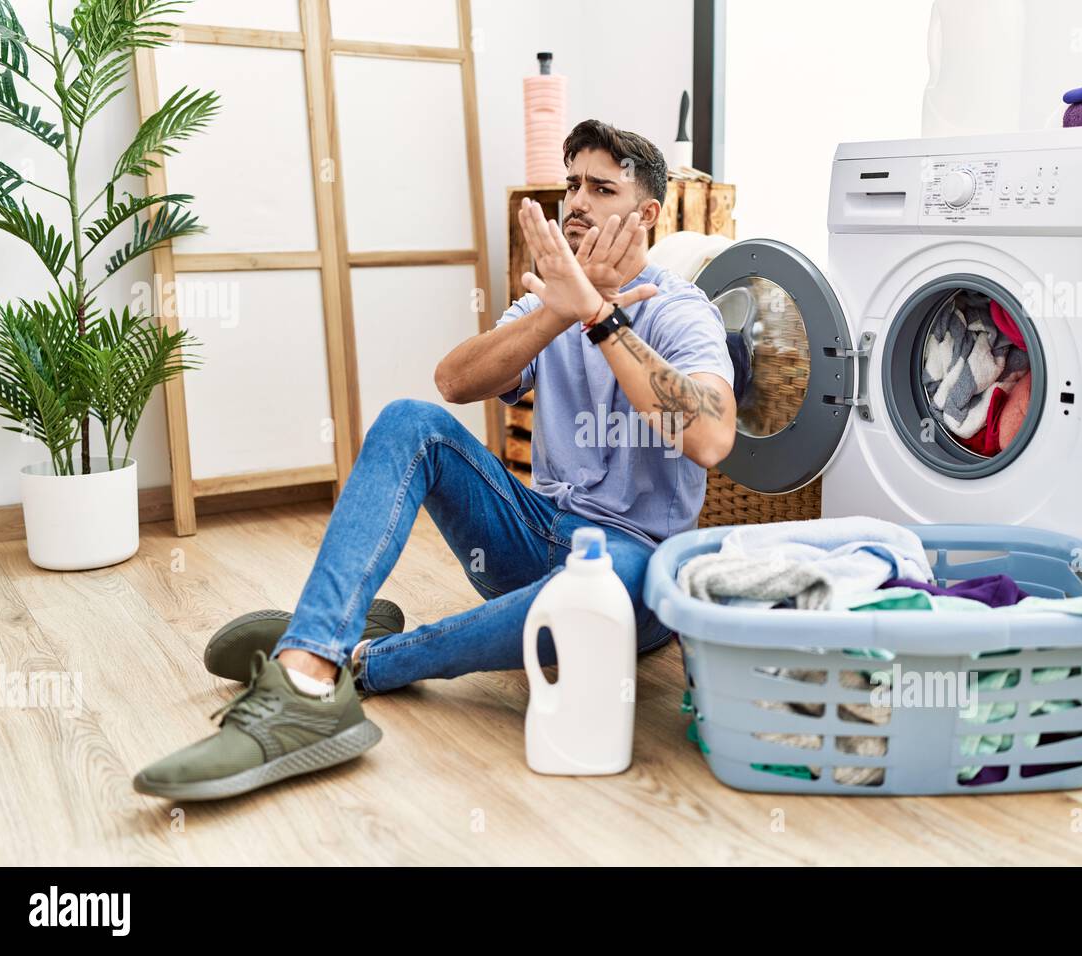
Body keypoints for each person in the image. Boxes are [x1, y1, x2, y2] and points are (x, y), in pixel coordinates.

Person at [133, 120, 737, 800]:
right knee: (408, 422)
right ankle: (306, 671)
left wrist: (601, 317)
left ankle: (359, 658)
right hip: (535, 535)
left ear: (648, 213)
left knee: (610, 584)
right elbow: (452, 381)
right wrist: (559, 313)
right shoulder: (549, 303)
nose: (578, 201)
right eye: (572, 184)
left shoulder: (682, 312)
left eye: (602, 187)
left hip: (628, 570)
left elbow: (711, 438)